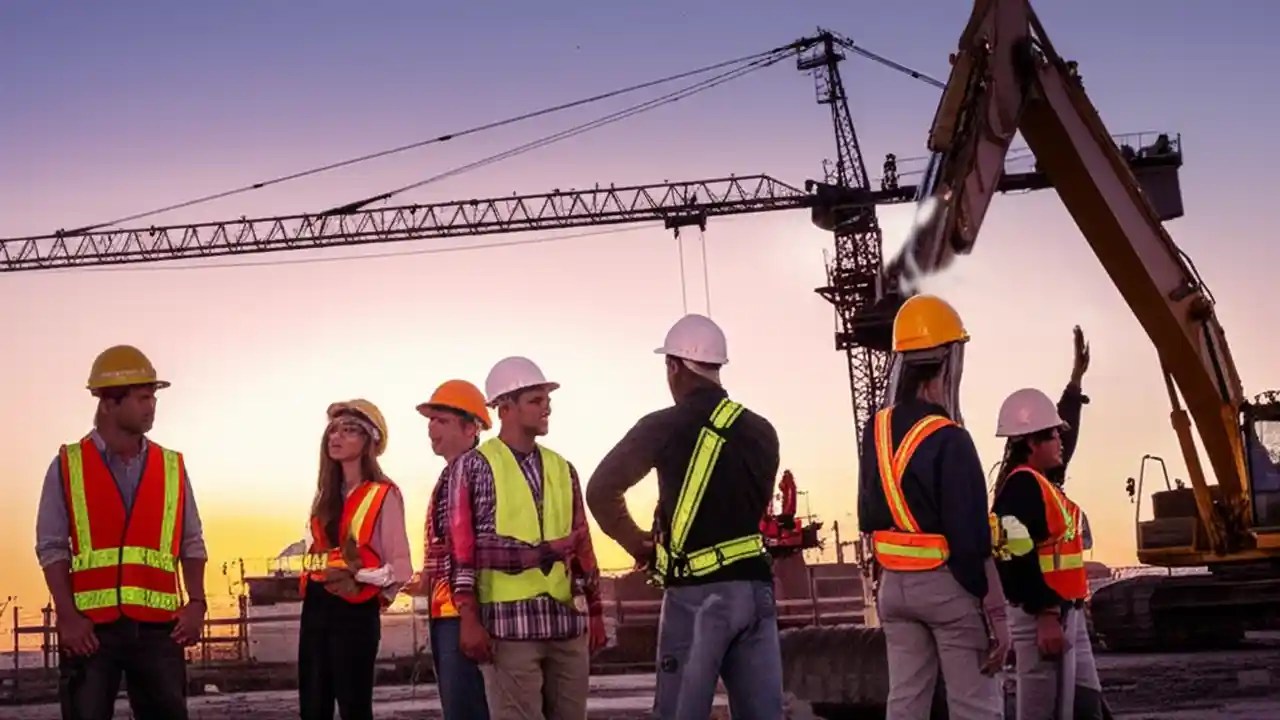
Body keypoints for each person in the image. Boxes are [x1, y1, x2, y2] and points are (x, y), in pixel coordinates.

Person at [586, 313, 783, 720]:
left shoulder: (663, 426)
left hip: (698, 598)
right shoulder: (763, 431)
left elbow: (602, 490)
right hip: (756, 592)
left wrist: (637, 541)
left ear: (674, 366)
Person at [34, 345, 208, 720]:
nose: (151, 406)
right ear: (109, 404)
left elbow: (191, 541)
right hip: (91, 632)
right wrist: (67, 617)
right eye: (142, 397)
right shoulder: (68, 465)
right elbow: (51, 547)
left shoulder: (171, 466)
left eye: (154, 398)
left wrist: (196, 603)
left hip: (161, 630)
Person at [857, 295, 1009, 719]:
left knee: (905, 703)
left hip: (894, 590)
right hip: (946, 585)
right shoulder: (950, 437)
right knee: (975, 705)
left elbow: (869, 515)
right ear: (948, 360)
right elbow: (970, 537)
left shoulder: (877, 430)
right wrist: (992, 612)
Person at [447, 356, 607, 720]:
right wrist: (468, 618)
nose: (547, 407)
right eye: (536, 400)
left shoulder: (562, 468)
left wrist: (595, 611)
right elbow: (466, 550)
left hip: (564, 623)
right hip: (508, 627)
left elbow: (583, 543)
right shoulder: (474, 466)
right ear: (505, 407)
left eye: (546, 399)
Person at [990, 327, 1106, 719]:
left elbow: (1065, 447)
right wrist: (1045, 616)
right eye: (1052, 434)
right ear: (1029, 442)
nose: (1061, 439)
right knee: (1041, 712)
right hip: (1044, 619)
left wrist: (1075, 384)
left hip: (1064, 613)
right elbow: (1013, 560)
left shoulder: (1041, 484)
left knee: (1086, 706)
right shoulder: (1019, 491)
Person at [297, 399, 412, 720]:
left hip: (355, 610)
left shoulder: (383, 494)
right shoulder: (325, 499)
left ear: (368, 441)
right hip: (317, 606)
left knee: (354, 705)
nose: (337, 436)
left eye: (349, 431)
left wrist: (366, 580)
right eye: (333, 430)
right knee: (313, 705)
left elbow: (401, 565)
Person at [417, 380, 493, 720]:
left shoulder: (475, 473)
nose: (432, 427)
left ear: (471, 427)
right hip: (447, 613)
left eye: (441, 420)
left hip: (464, 615)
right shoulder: (448, 476)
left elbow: (475, 548)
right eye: (431, 420)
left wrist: (469, 618)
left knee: (468, 710)